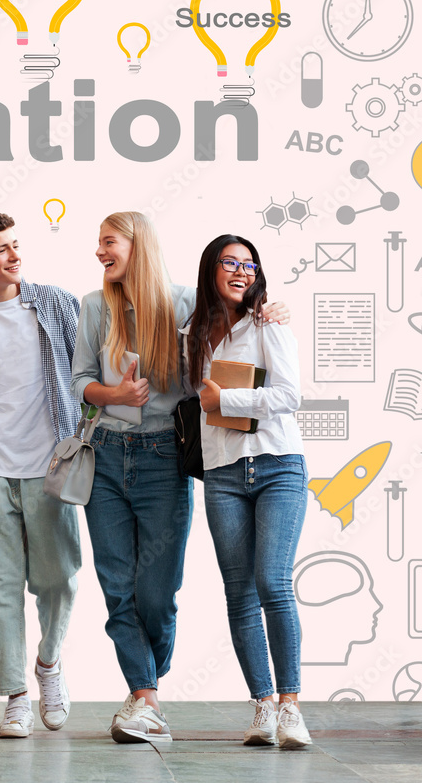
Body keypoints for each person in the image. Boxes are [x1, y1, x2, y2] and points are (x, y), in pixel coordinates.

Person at [70, 212, 288, 744]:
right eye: (99, 243)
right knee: (117, 585)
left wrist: (268, 309)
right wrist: (114, 395)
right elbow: (78, 381)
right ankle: (144, 697)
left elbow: (233, 318)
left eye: (108, 241)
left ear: (136, 244)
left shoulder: (185, 302)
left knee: (157, 591)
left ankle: (146, 680)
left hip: (166, 456)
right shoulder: (95, 306)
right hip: (105, 457)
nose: (99, 251)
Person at [0, 210, 82, 739]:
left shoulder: (55, 302)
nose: (14, 255)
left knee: (59, 581)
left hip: (51, 468)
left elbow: (90, 367)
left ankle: (49, 666)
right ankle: (15, 696)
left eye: (16, 244)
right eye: (2, 249)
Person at [185, 235, 311, 748]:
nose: (241, 271)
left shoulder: (267, 324)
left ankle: (290, 707)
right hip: (223, 474)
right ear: (210, 269)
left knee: (272, 583)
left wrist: (224, 396)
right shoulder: (191, 333)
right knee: (238, 592)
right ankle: (261, 706)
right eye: (230, 263)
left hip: (278, 465)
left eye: (249, 264)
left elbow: (289, 395)